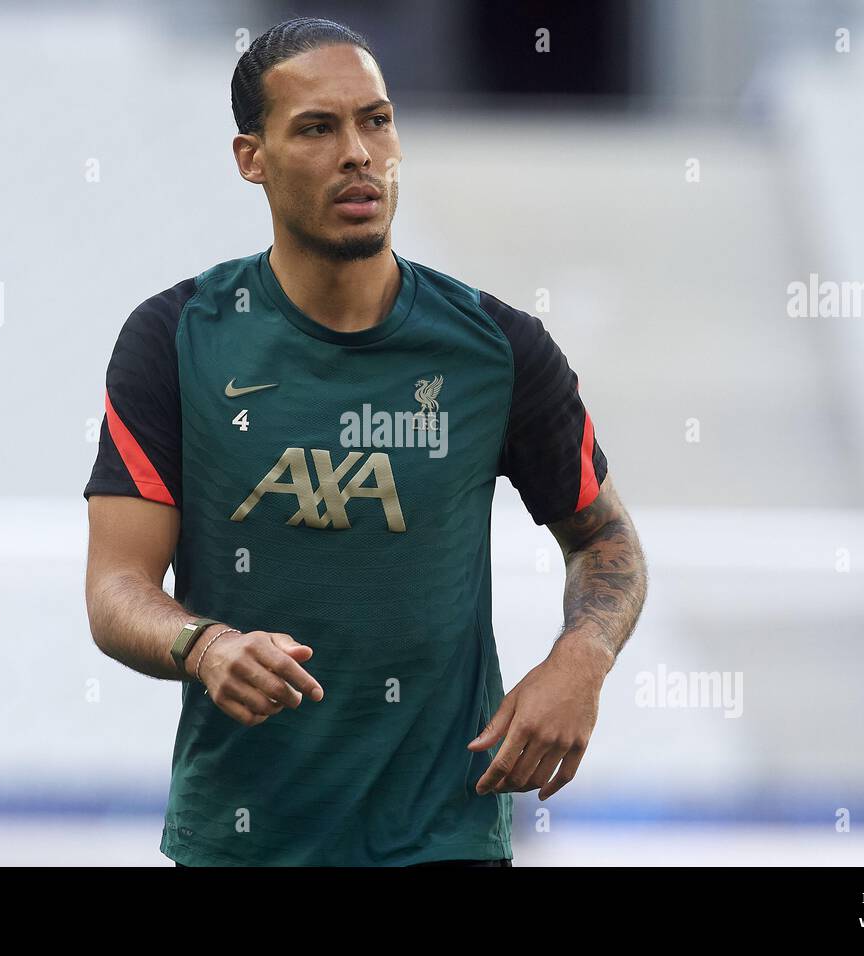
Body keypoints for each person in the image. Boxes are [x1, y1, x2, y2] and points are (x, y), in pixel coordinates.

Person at [83, 16, 648, 867]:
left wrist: (583, 658)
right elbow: (116, 587)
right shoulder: (176, 338)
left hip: (444, 843)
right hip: (240, 844)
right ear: (252, 158)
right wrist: (205, 648)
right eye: (317, 127)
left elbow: (606, 539)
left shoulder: (498, 348)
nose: (359, 153)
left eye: (376, 121)